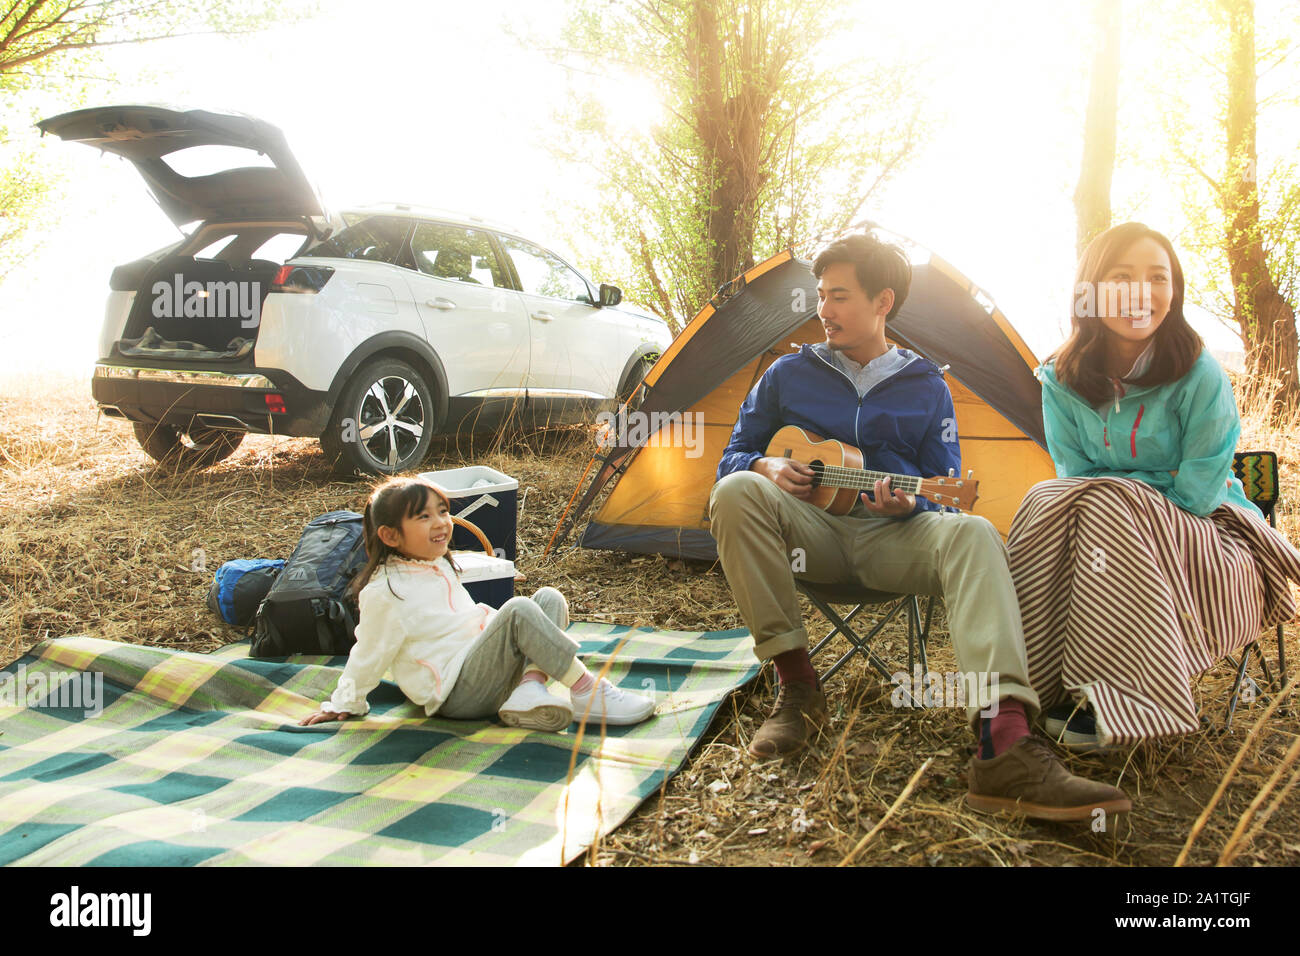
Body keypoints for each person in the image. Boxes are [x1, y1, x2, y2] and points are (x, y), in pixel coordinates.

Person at [708, 232, 1130, 821]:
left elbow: (947, 488)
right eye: (821, 296)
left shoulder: (927, 384)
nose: (823, 310)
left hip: (895, 540)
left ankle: (1003, 739)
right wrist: (765, 463)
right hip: (811, 536)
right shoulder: (786, 373)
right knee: (735, 492)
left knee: (976, 533)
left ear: (883, 301)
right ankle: (799, 688)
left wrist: (915, 507)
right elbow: (731, 456)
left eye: (839, 297)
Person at [1008, 221, 1300, 748]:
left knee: (1108, 503)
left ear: (1174, 291)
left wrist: (1128, 494)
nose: (1142, 292)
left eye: (1158, 278)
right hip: (1106, 528)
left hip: (1208, 529)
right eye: (1123, 276)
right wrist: (1120, 494)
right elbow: (1073, 476)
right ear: (1092, 289)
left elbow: (1199, 488)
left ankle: (1129, 703)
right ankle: (1037, 684)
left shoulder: (1198, 372)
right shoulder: (1059, 378)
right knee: (1046, 497)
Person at [299, 476, 655, 730]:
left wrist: (504, 634)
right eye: (423, 517)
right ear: (390, 535)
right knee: (519, 611)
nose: (441, 523)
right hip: (457, 695)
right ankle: (588, 693)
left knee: (547, 599)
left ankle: (527, 690)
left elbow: (463, 620)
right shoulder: (385, 591)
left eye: (442, 511)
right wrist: (345, 702)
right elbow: (369, 652)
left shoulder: (436, 563)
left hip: (482, 671)